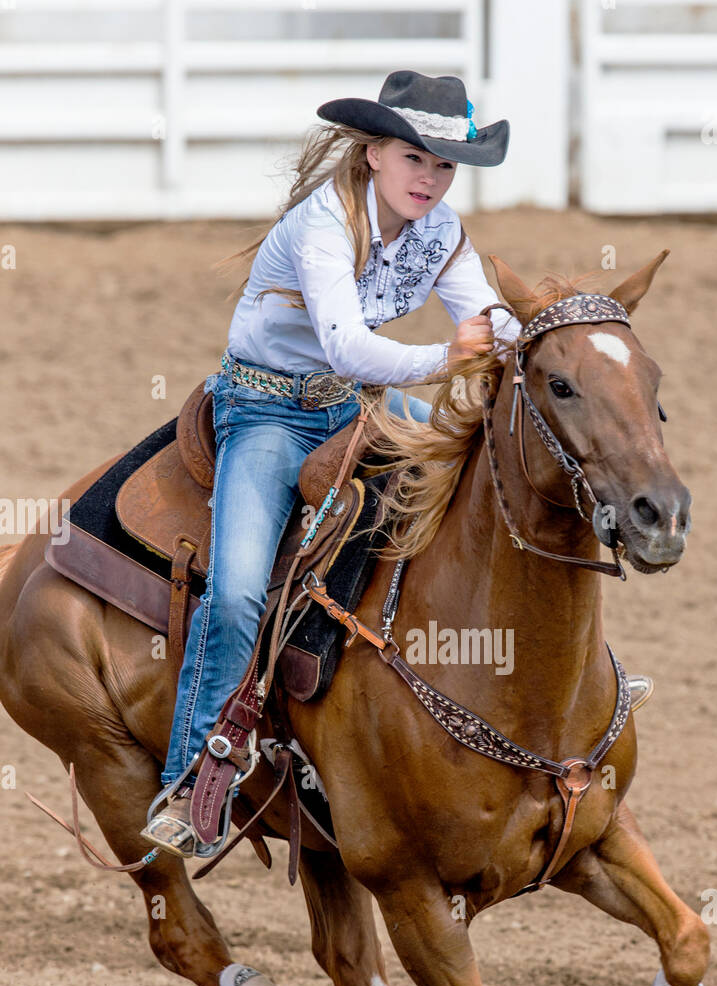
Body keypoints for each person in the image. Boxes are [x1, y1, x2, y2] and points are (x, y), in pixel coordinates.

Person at [141, 70, 521, 857]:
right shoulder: (322, 226)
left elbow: (486, 312)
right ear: (374, 151)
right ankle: (189, 786)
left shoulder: (441, 231)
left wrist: (537, 335)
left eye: (445, 166)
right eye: (416, 158)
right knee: (240, 591)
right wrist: (451, 355)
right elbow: (350, 345)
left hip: (353, 405)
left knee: (484, 478)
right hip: (266, 410)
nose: (431, 178)